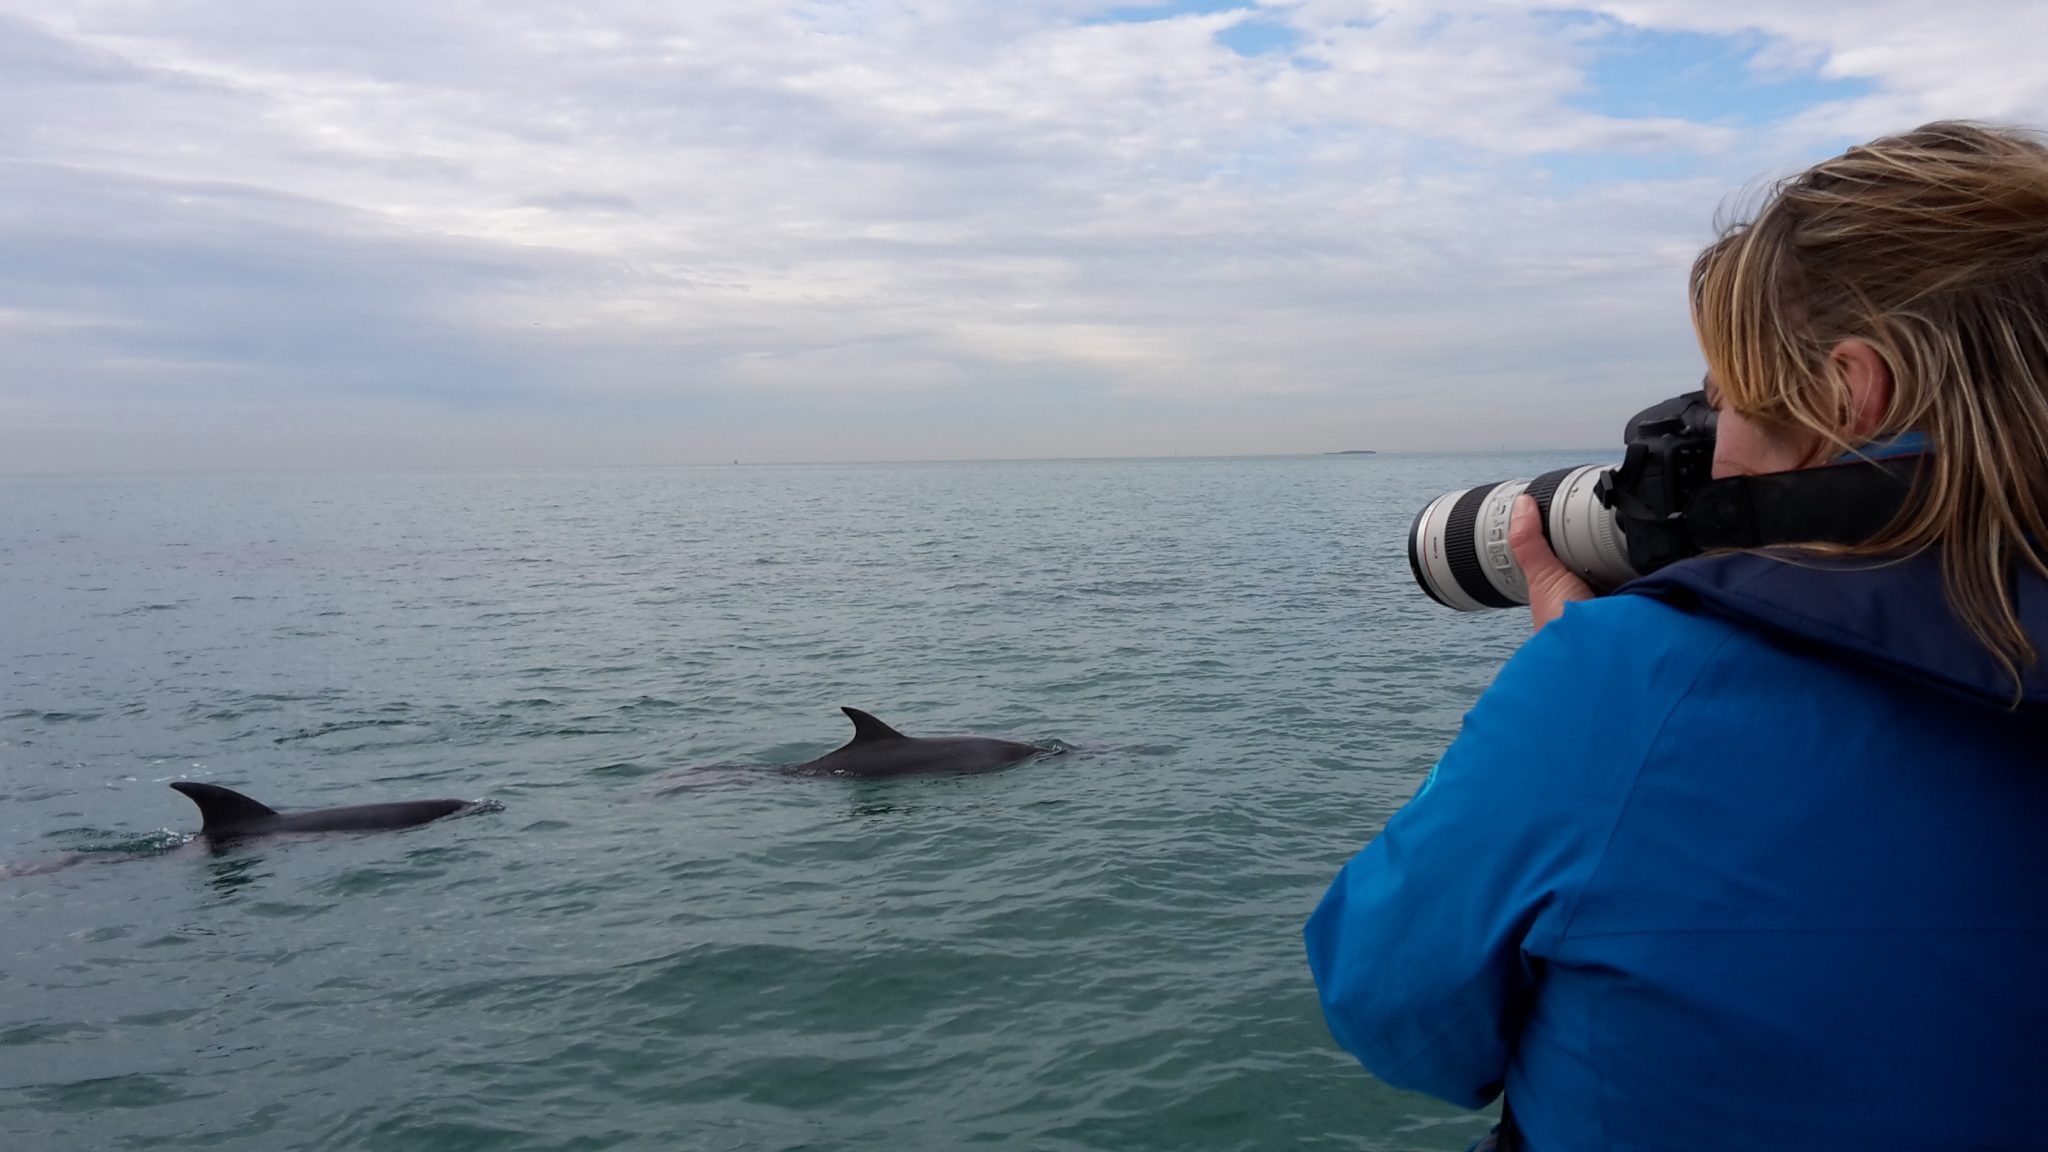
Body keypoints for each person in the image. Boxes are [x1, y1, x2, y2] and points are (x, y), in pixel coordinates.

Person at [1304, 121, 2048, 1151]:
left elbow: (1393, 1017)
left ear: (1848, 390)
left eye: (1727, 402)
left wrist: (1580, 685)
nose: (1712, 451)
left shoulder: (1625, 689)